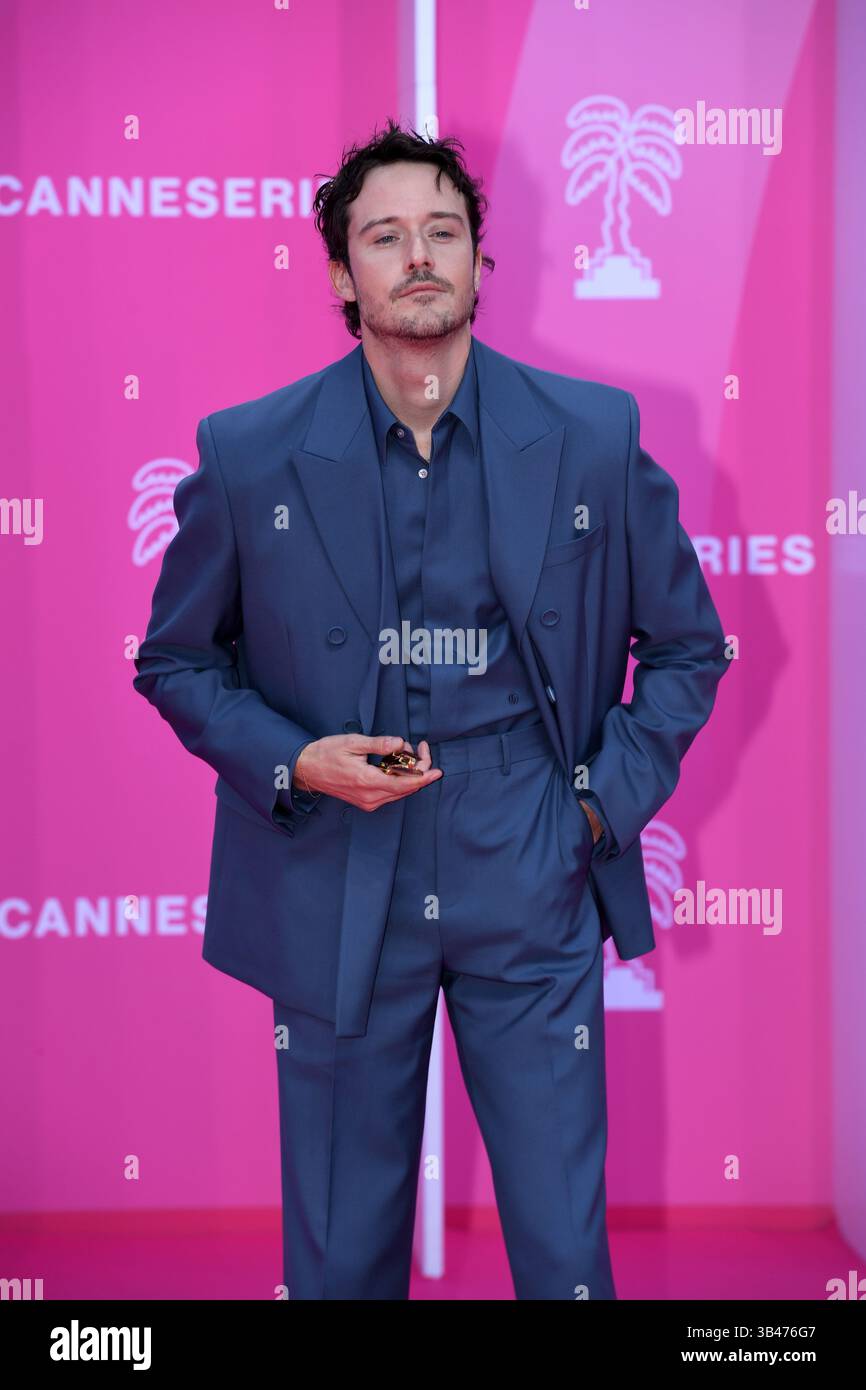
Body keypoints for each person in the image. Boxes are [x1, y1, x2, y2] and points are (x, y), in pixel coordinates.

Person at [133, 119, 729, 1300]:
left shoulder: (590, 437)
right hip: (335, 863)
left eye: (442, 232)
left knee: (562, 1248)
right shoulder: (250, 455)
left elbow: (686, 648)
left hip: (528, 845)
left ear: (477, 259)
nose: (418, 255)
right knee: (342, 1255)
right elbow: (176, 661)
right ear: (339, 272)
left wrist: (595, 811)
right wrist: (299, 760)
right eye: (385, 234)